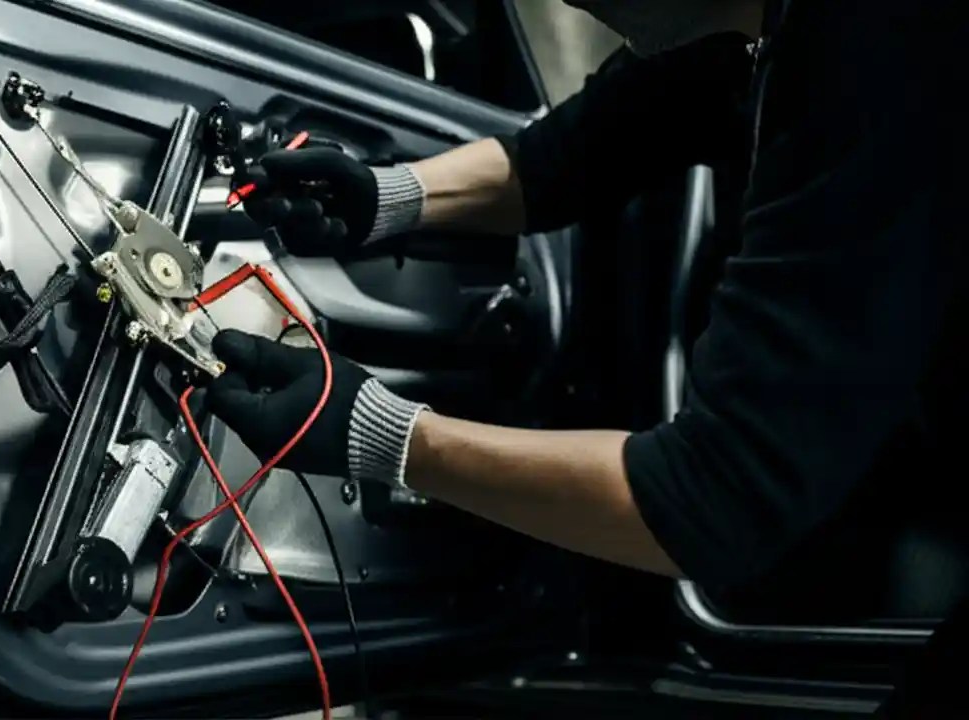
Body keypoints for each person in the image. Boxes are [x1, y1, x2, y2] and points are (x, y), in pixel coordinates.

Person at [207, 1, 966, 712]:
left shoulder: (885, 54)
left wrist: (378, 433)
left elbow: (714, 502)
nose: (569, 4)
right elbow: (593, 141)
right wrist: (387, 197)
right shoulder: (764, 21)